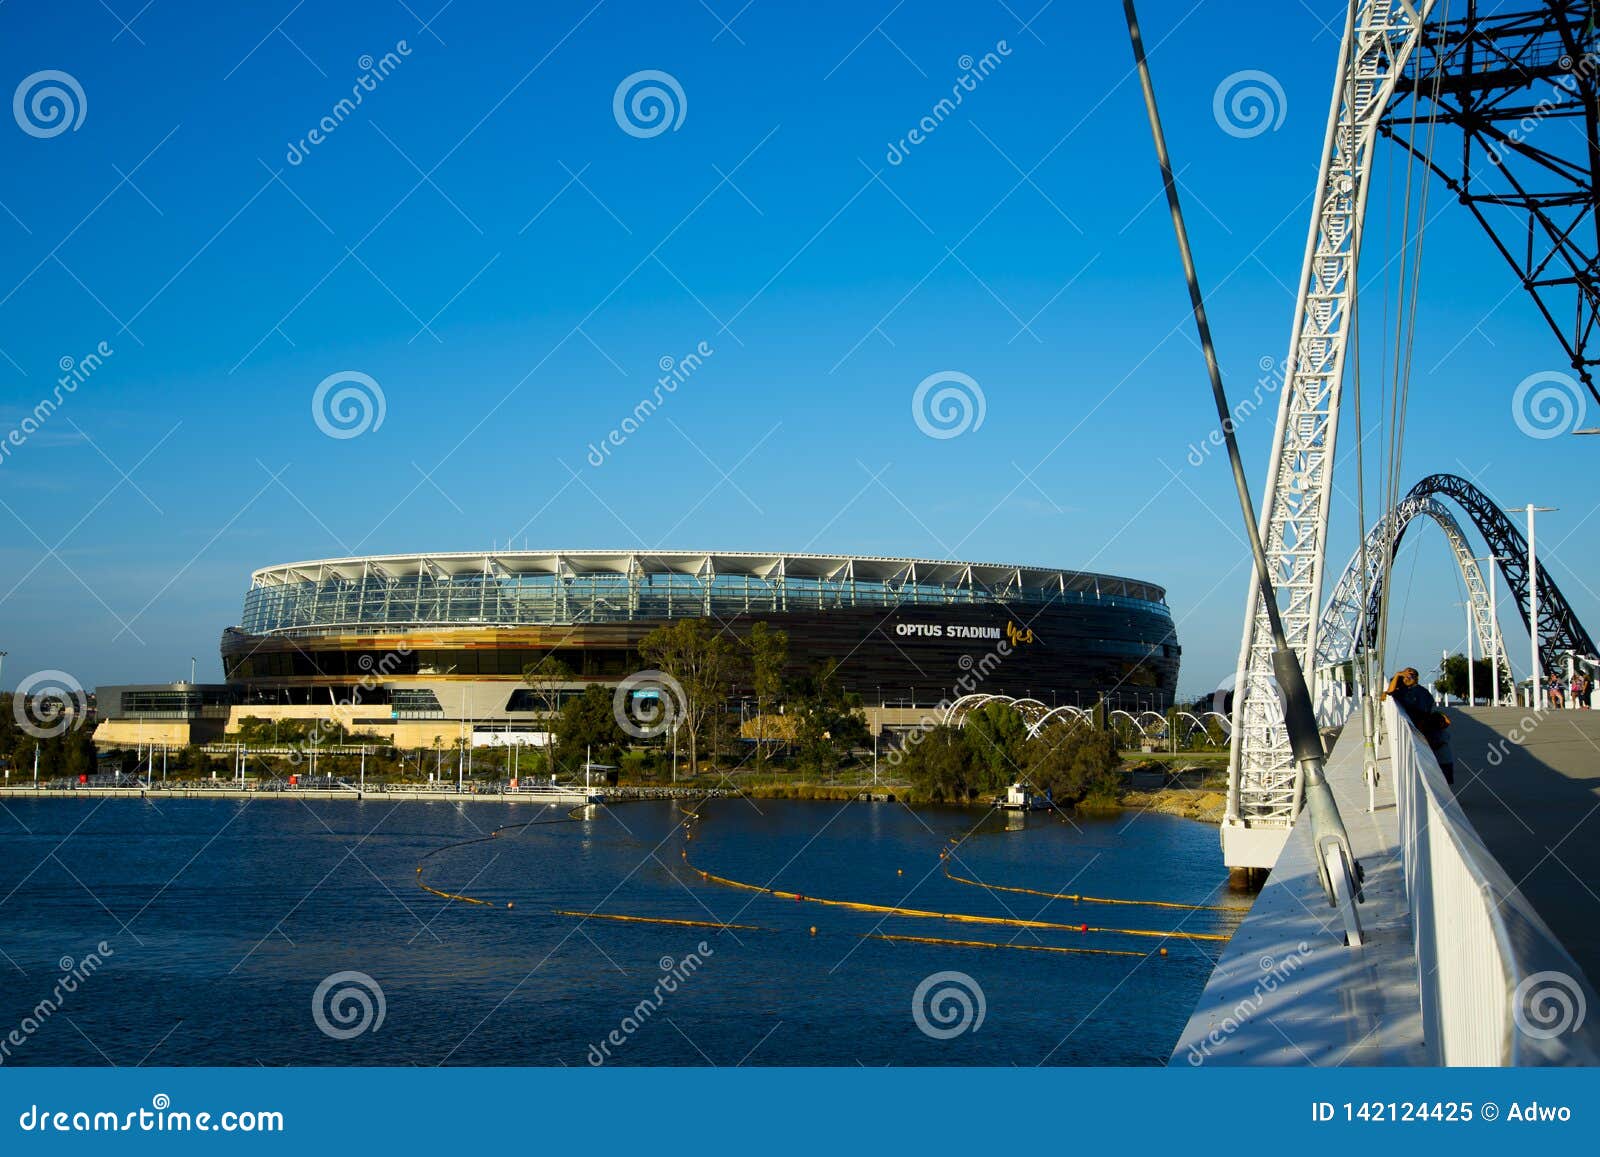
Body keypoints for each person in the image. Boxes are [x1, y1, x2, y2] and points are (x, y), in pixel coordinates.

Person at [1384, 667, 1456, 785]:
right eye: (1405, 676)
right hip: (1422, 733)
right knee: (1432, 770)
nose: (1407, 678)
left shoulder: (1422, 693)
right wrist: (1397, 675)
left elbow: (1424, 715)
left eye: (1411, 676)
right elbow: (1389, 692)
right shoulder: (1403, 691)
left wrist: (1422, 735)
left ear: (1416, 678)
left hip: (1431, 733)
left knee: (1442, 766)